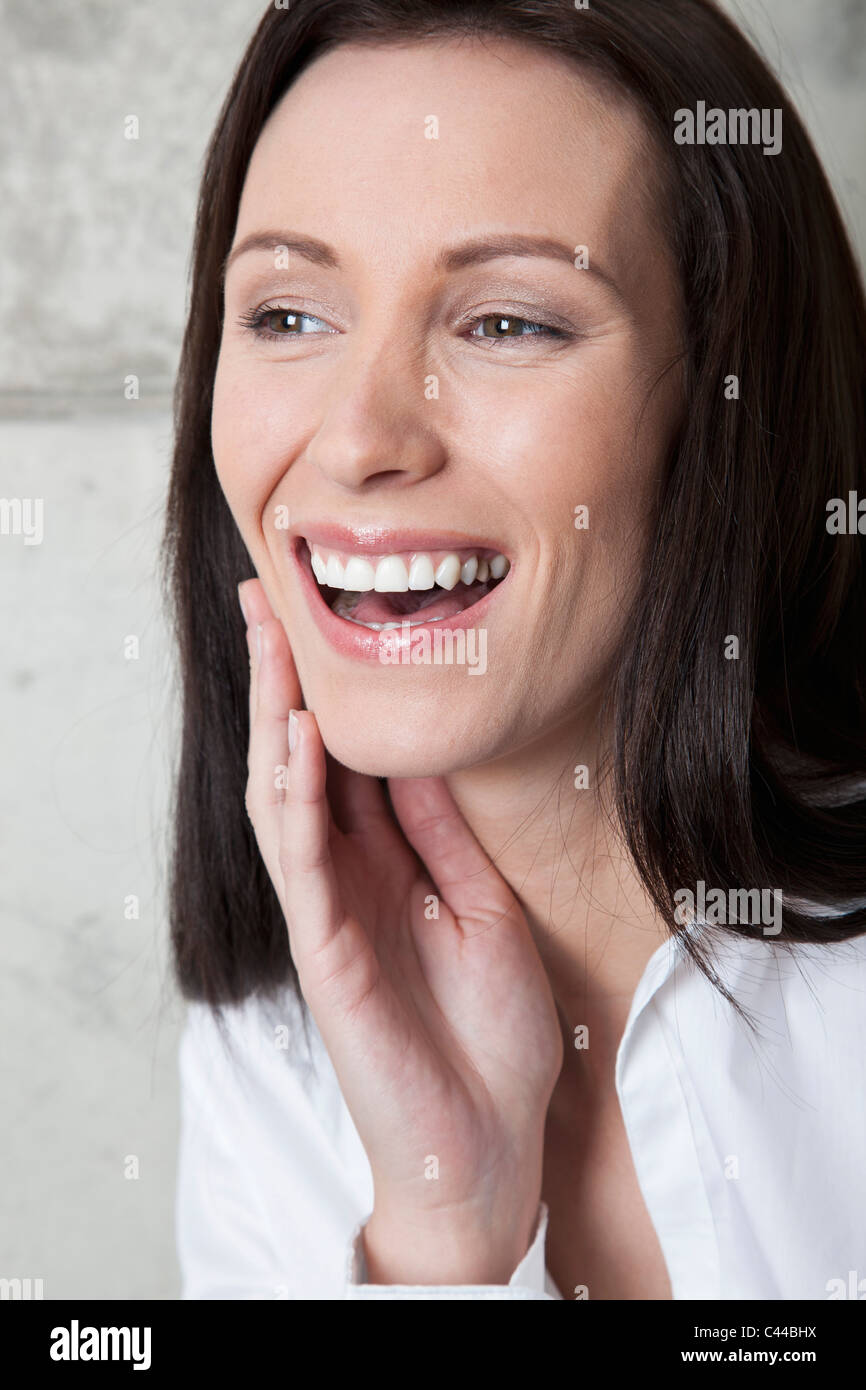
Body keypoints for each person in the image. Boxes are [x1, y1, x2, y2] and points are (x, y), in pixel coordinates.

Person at [164, 0, 866, 1300]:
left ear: (724, 411)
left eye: (506, 324)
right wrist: (441, 1242)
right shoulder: (267, 1042)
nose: (360, 435)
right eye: (287, 317)